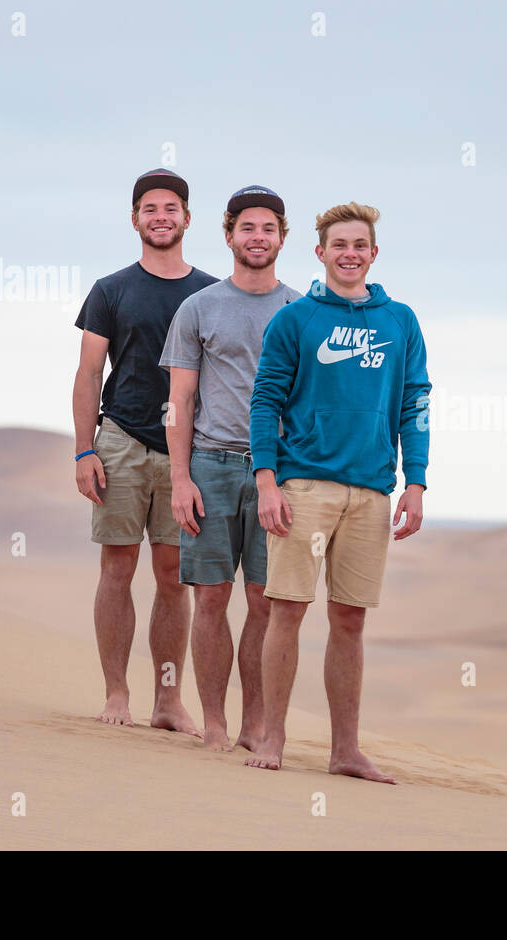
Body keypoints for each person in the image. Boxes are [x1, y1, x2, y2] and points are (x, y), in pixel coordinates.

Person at [245, 201, 431, 783]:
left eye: (360, 245)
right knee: (288, 610)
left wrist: (417, 482)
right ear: (320, 253)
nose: (350, 254)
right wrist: (268, 481)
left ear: (373, 254)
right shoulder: (296, 319)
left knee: (350, 621)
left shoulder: (400, 320)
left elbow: (414, 401)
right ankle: (272, 736)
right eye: (339, 245)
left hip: (372, 492)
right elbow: (265, 402)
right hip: (304, 486)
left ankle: (344, 750)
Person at [71, 168, 216, 734]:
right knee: (117, 566)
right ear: (135, 219)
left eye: (171, 208)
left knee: (174, 574)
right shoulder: (111, 289)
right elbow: (87, 374)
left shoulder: (209, 292)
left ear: (187, 218)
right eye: (150, 209)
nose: (161, 217)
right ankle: (115, 693)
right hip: (122, 441)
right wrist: (85, 451)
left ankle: (168, 701)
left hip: (187, 450)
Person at [160, 185, 301, 751]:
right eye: (247, 228)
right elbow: (180, 400)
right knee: (211, 597)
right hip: (211, 467)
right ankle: (215, 724)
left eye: (268, 228)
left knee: (266, 603)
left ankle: (254, 727)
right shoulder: (197, 308)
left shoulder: (301, 310)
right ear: (228, 236)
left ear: (283, 238)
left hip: (279, 475)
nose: (257, 237)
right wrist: (179, 476)